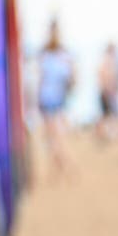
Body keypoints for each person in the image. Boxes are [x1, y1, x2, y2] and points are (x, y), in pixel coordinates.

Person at [37, 20, 75, 179]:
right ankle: (62, 166)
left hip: (49, 98)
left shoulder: (47, 54)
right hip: (55, 97)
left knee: (53, 136)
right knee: (56, 135)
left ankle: (62, 165)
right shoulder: (61, 55)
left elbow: (41, 78)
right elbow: (70, 78)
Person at [97, 42, 118, 141]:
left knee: (108, 114)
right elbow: (104, 76)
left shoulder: (108, 61)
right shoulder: (108, 61)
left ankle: (106, 134)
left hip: (108, 92)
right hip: (108, 92)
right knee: (110, 114)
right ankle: (109, 135)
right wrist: (108, 89)